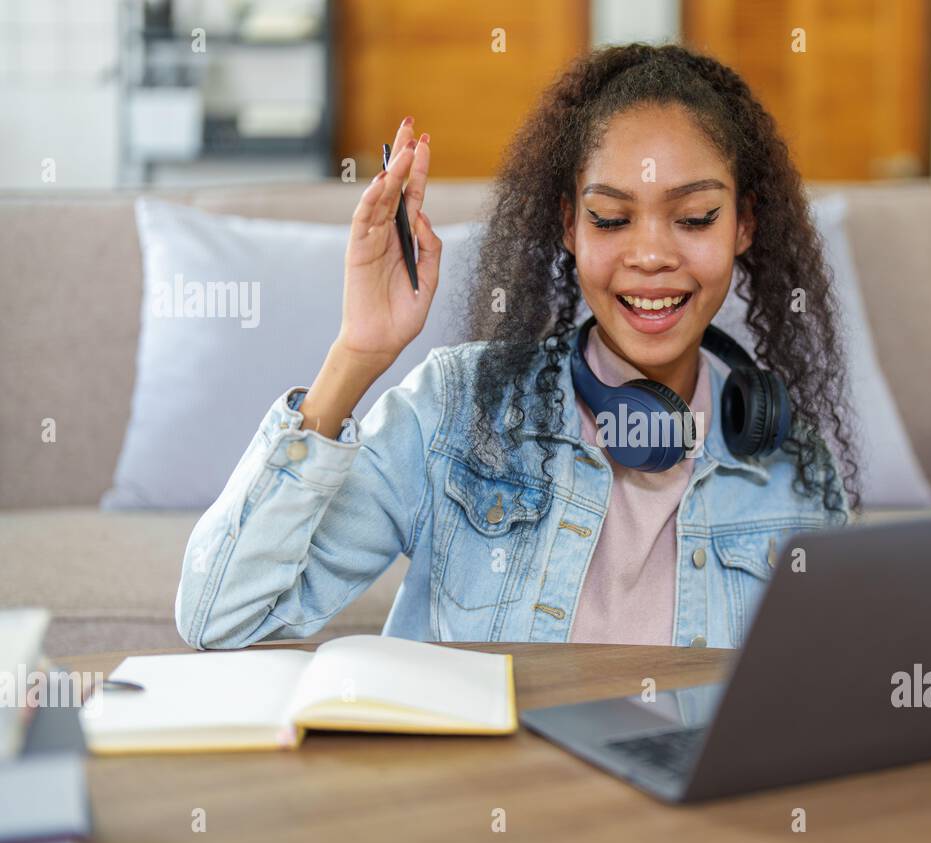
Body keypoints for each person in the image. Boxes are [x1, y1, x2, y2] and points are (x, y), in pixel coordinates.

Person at [176, 43, 861, 651]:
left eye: (694, 218)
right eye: (611, 218)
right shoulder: (457, 410)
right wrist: (356, 355)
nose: (651, 255)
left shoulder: (790, 464)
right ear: (569, 227)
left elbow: (822, 709)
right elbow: (221, 618)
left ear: (743, 225)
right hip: (496, 795)